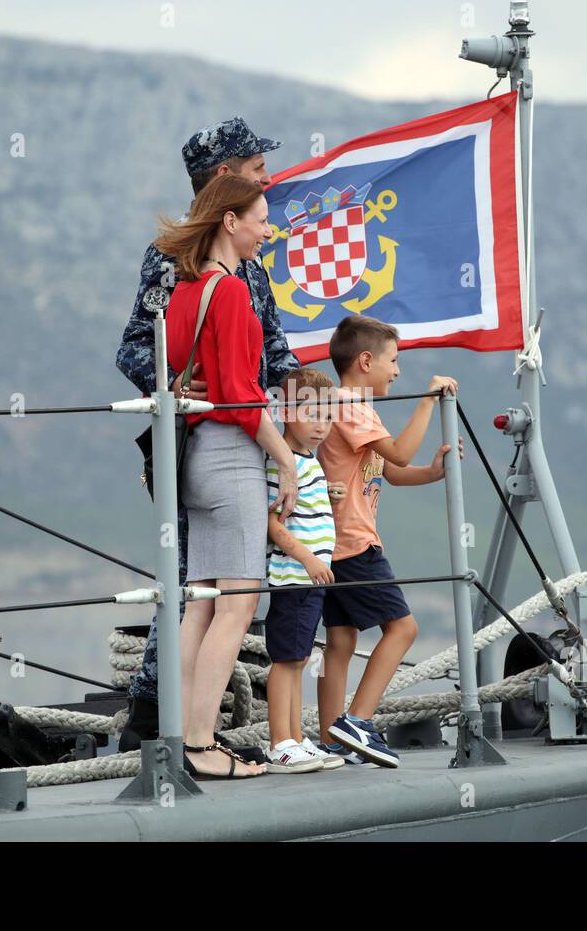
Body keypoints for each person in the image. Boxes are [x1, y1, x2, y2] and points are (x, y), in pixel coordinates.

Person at [114, 117, 299, 754]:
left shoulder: (246, 270)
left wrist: (310, 403)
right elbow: (137, 349)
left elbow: (273, 353)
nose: (267, 177)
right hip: (207, 443)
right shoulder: (175, 262)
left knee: (204, 597)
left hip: (243, 439)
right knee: (202, 589)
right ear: (225, 182)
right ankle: (157, 727)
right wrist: (181, 390)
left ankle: (183, 731)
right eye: (255, 169)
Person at [154, 174, 299, 778]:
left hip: (191, 460)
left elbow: (185, 378)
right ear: (230, 222)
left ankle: (179, 735)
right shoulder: (234, 292)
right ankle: (202, 745)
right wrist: (287, 460)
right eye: (262, 219)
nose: (270, 230)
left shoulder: (184, 291)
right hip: (233, 458)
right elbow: (243, 399)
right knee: (237, 607)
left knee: (200, 606)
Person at [315, 316, 461, 769]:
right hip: (356, 545)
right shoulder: (350, 404)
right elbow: (398, 451)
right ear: (365, 361)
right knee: (403, 629)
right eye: (393, 361)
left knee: (341, 639)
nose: (397, 371)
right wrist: (428, 401)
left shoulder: (350, 408)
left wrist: (432, 473)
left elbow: (391, 471)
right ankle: (357, 721)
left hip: (329, 546)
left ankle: (332, 739)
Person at [261, 367, 345, 773]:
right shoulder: (284, 462)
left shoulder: (306, 461)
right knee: (286, 661)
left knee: (297, 659)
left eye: (327, 417)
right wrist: (308, 559)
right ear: (287, 411)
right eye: (311, 414)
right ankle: (281, 741)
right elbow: (273, 524)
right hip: (294, 579)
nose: (320, 426)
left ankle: (296, 736)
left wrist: (325, 490)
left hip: (308, 581)